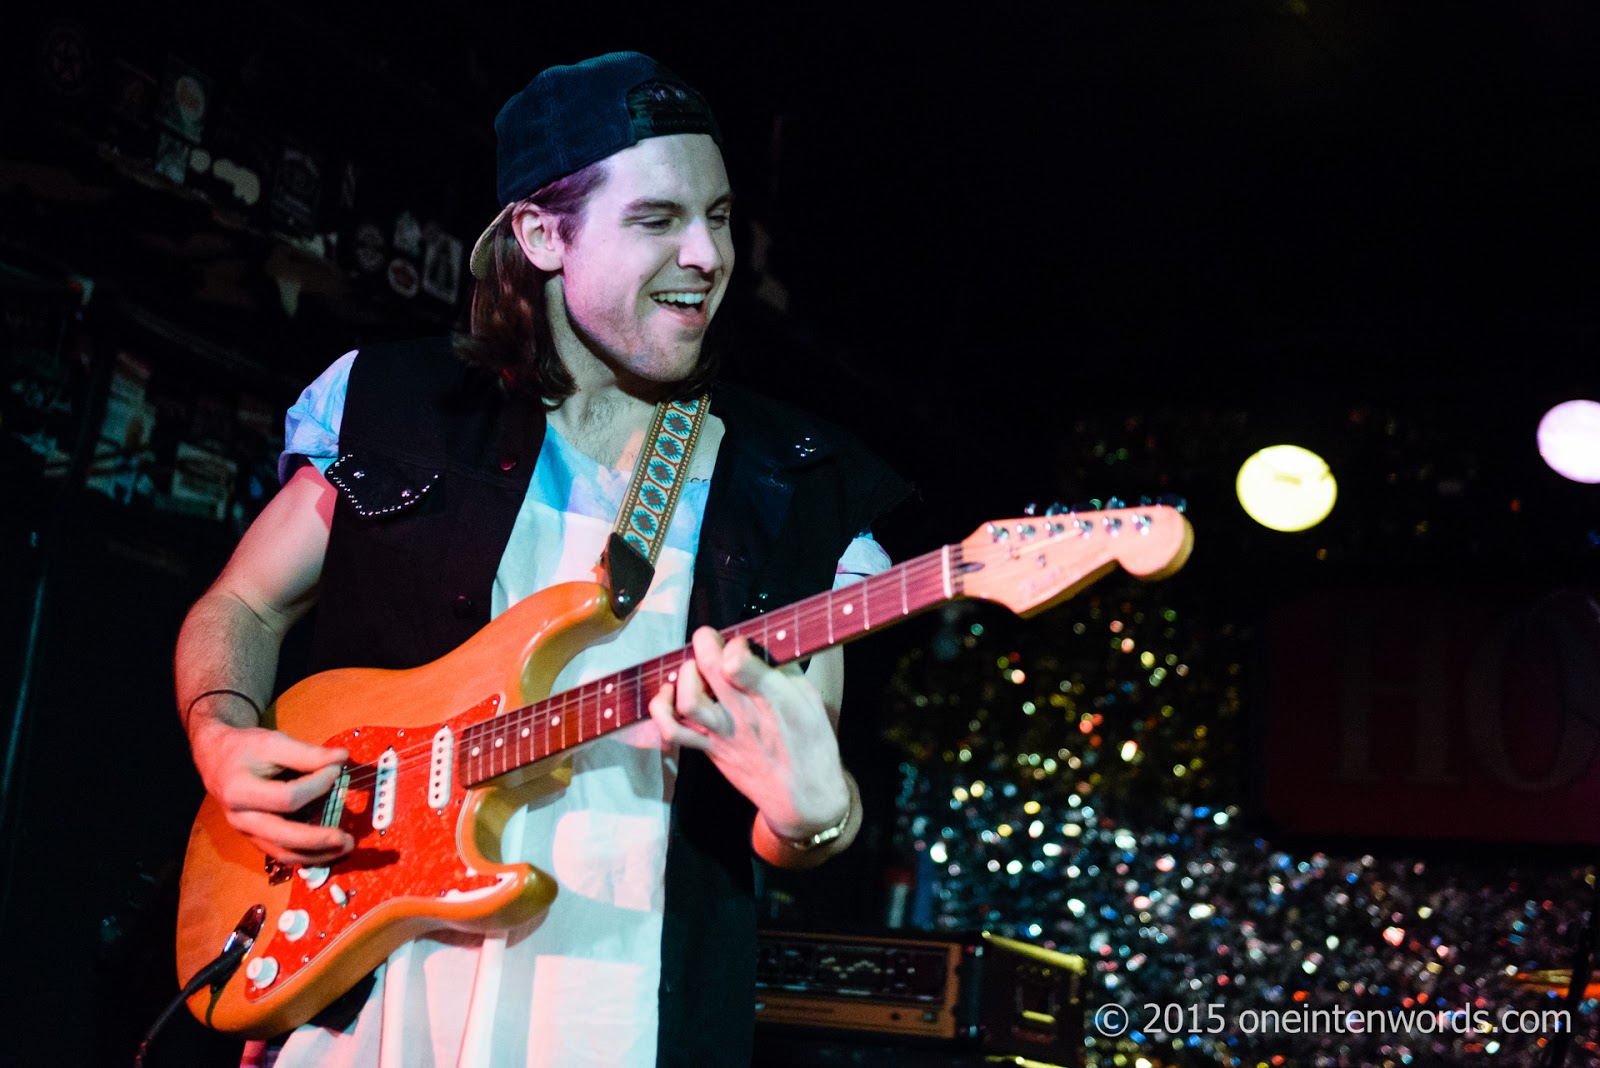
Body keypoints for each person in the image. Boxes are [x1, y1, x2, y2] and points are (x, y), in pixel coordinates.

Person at [173, 51, 908, 1067]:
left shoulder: (797, 486)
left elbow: (793, 815)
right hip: (353, 995)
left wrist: (814, 814)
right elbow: (243, 608)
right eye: (657, 219)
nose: (708, 254)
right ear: (540, 233)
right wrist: (222, 735)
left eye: (723, 216)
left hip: (618, 1012)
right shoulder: (391, 405)